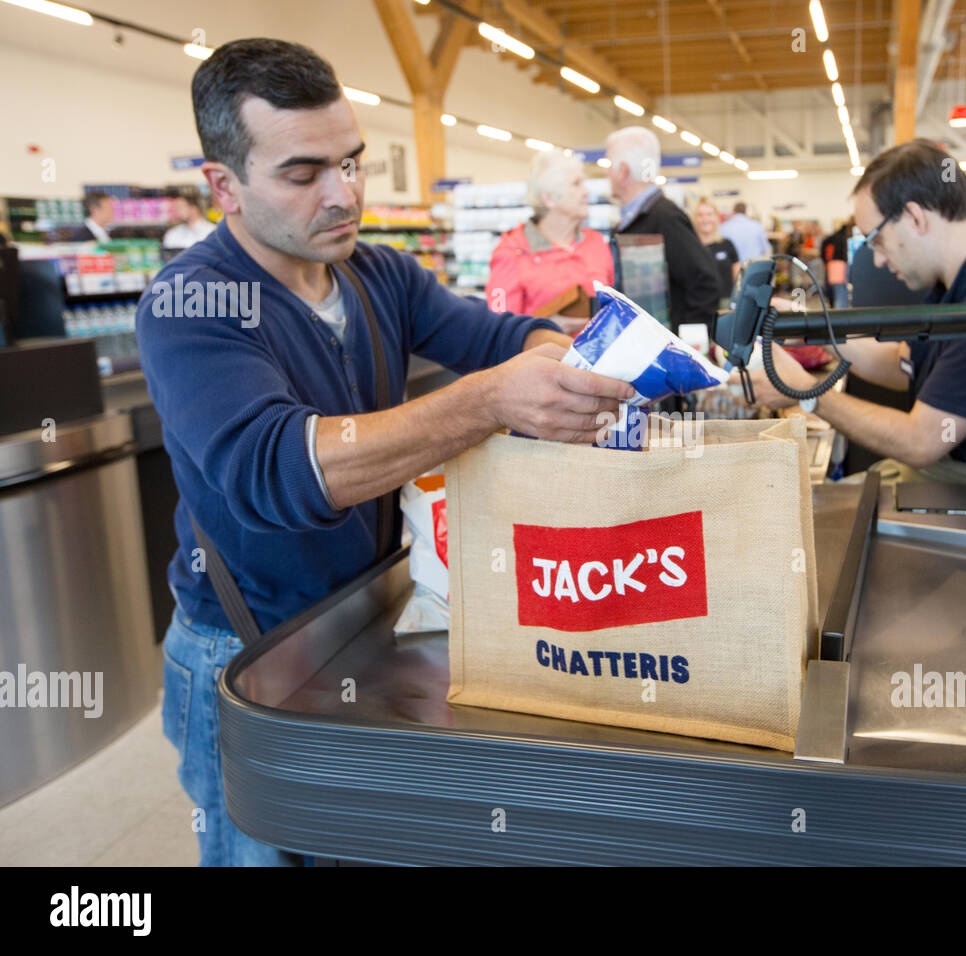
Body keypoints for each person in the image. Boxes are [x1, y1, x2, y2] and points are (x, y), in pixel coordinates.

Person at [136, 38, 633, 866]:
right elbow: (283, 470)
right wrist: (490, 399)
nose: (344, 195)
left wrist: (583, 350)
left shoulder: (379, 275)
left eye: (354, 162)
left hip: (366, 618)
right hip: (246, 647)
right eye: (303, 174)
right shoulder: (192, 303)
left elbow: (496, 335)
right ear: (223, 184)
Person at [744, 139, 966, 486]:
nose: (877, 259)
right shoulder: (964, 283)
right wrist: (810, 326)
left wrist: (805, 391)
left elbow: (921, 442)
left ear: (915, 217)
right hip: (951, 475)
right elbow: (901, 363)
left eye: (876, 239)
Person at [606, 126, 720, 336]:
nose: (607, 173)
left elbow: (704, 281)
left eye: (609, 165)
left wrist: (684, 345)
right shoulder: (638, 219)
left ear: (623, 171)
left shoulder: (664, 218)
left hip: (664, 350)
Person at [486, 149, 613, 332]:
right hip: (549, 358)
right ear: (549, 198)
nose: (586, 192)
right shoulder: (512, 254)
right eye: (576, 184)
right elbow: (500, 331)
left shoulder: (595, 242)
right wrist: (546, 329)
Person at [692, 198, 739, 302]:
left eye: (709, 214)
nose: (705, 219)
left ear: (716, 217)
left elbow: (738, 279)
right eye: (700, 215)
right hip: (698, 306)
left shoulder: (727, 245)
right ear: (694, 219)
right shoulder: (689, 247)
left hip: (725, 305)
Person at [820, 219, 851, 308]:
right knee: (841, 295)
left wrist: (825, 260)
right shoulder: (846, 236)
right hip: (841, 267)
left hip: (834, 266)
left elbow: (824, 243)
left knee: (837, 293)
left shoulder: (836, 235)